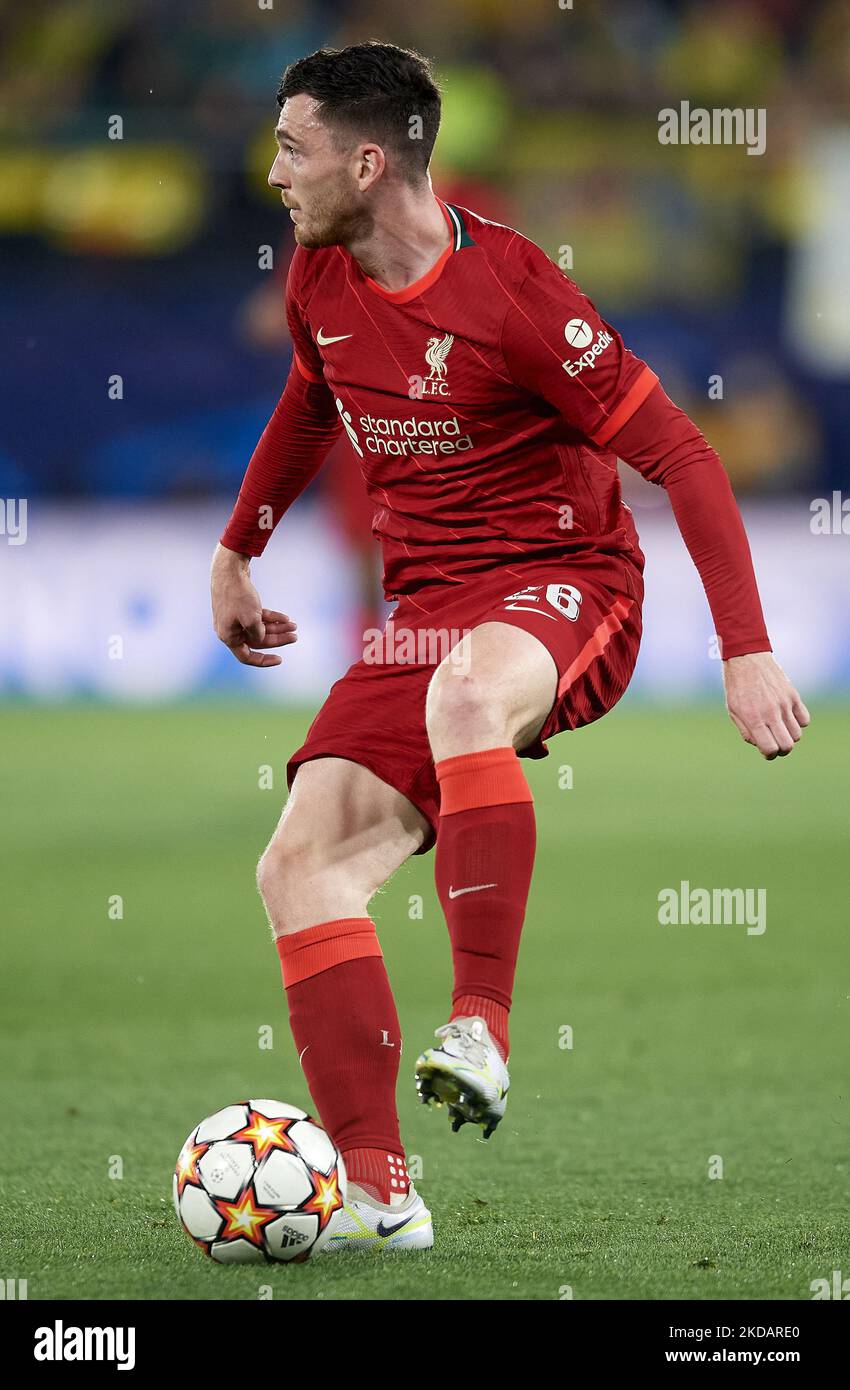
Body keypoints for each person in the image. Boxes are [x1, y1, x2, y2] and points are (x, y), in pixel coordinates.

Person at [211, 42, 809, 1252]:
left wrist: (742, 647)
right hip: (421, 605)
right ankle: (379, 1194)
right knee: (299, 863)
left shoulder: (518, 294)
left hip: (565, 582)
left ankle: (478, 1023)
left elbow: (684, 457)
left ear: (368, 161)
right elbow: (310, 396)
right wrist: (237, 550)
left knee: (468, 692)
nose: (273, 169)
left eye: (293, 144)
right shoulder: (317, 278)